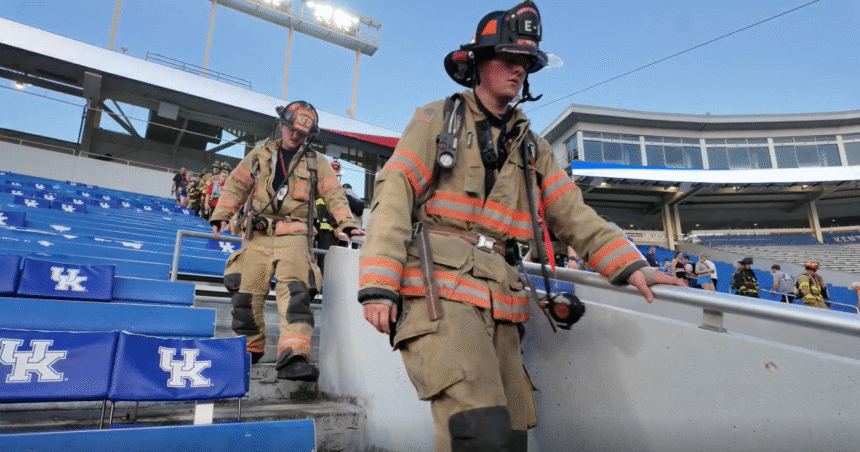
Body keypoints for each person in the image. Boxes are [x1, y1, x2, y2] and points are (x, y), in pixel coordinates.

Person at [357, 3, 685, 450]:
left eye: (526, 64)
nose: (518, 72)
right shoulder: (437, 119)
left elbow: (573, 213)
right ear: (478, 64)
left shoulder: (534, 147)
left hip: (502, 301)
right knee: (478, 431)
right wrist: (379, 283)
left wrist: (630, 265)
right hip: (439, 293)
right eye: (509, 60)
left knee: (510, 437)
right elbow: (393, 193)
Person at [210, 100, 362, 381]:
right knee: (245, 294)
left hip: (293, 235)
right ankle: (248, 349)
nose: (295, 137)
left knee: (297, 296)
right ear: (282, 126)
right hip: (257, 234)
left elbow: (335, 196)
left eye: (302, 134)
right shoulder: (259, 155)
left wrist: (348, 224)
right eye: (292, 130)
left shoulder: (318, 163)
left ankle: (294, 357)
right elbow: (236, 184)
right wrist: (222, 214)